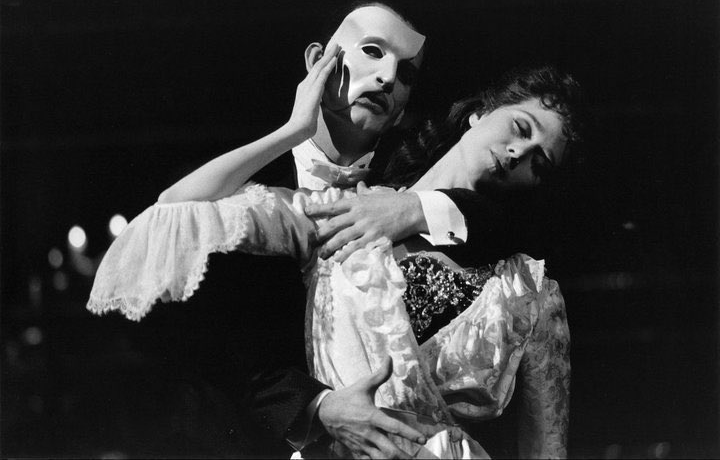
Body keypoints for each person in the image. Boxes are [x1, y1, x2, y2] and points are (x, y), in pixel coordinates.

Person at [89, 60, 584, 458]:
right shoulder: (341, 211)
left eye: (539, 162)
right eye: (520, 128)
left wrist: (417, 209)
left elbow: (547, 450)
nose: (519, 153)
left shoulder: (529, 291)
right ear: (479, 113)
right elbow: (179, 206)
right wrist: (293, 129)